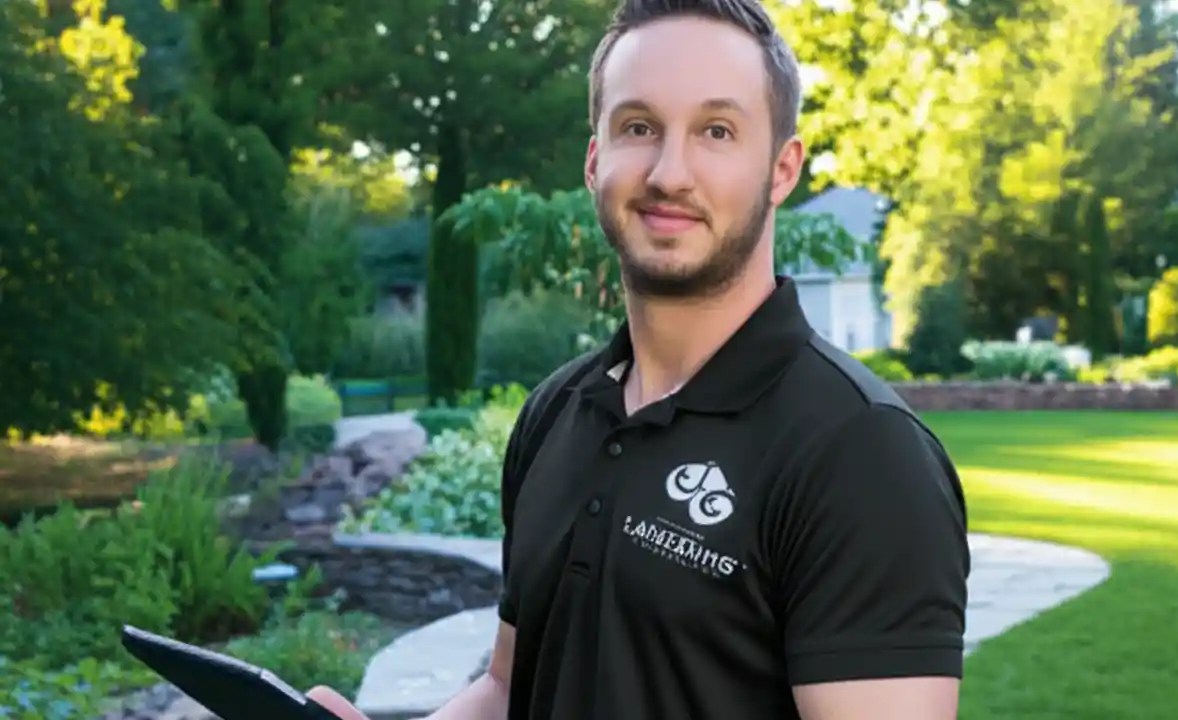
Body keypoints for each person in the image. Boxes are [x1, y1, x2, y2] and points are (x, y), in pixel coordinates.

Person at [308, 0, 970, 717]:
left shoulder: (863, 453)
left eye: (717, 131)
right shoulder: (557, 412)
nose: (669, 173)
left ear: (781, 171)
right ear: (596, 161)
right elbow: (509, 686)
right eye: (638, 127)